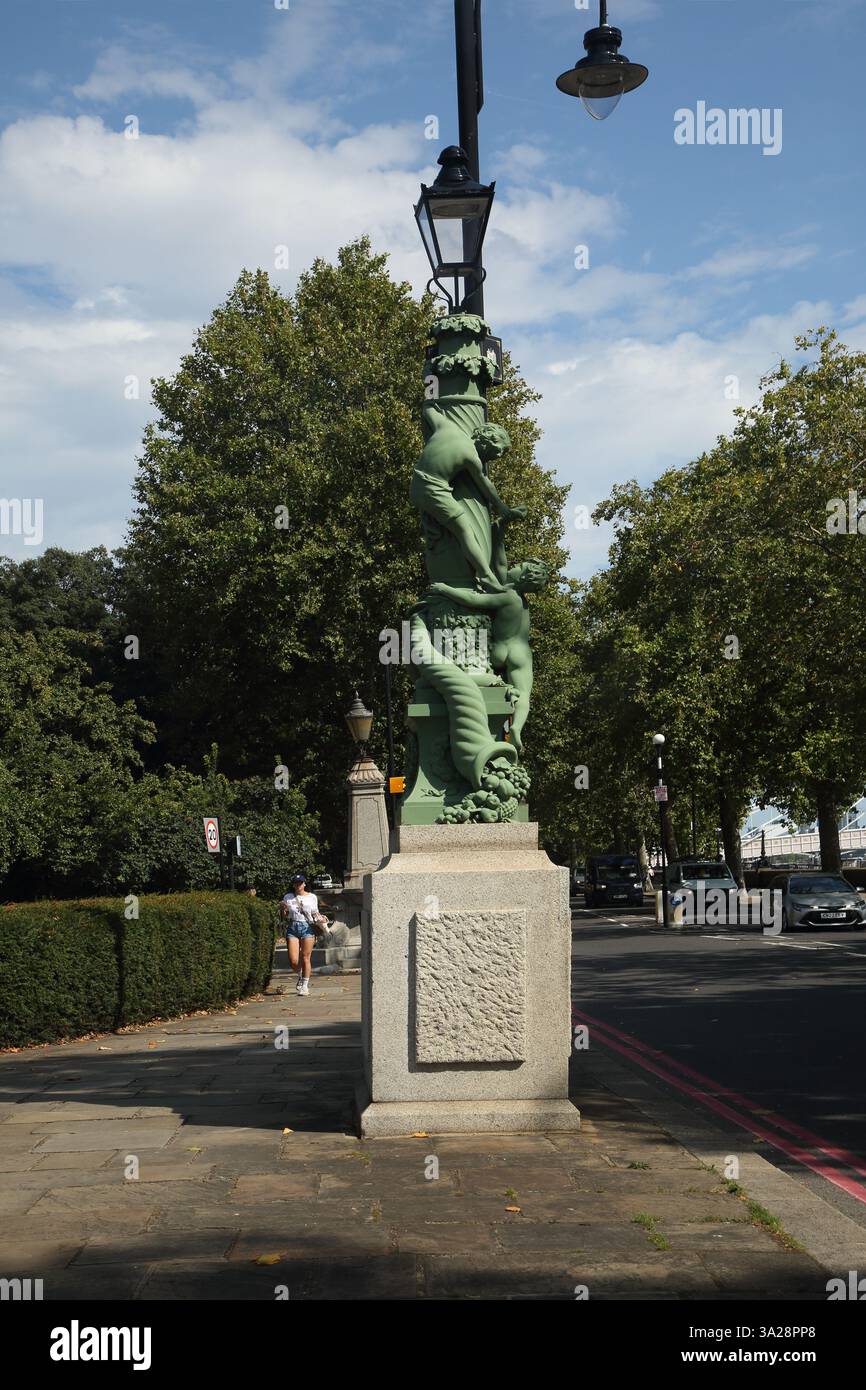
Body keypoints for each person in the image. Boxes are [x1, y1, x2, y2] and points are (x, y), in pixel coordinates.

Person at [280, 873, 327, 996]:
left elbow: (315, 913)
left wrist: (321, 919)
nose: (298, 885)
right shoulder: (288, 897)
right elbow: (285, 915)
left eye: (300, 883)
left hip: (307, 927)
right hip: (293, 927)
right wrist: (283, 910)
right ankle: (300, 975)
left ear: (304, 884)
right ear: (293, 884)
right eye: (296, 883)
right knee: (293, 960)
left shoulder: (312, 897)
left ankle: (305, 986)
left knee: (305, 957)